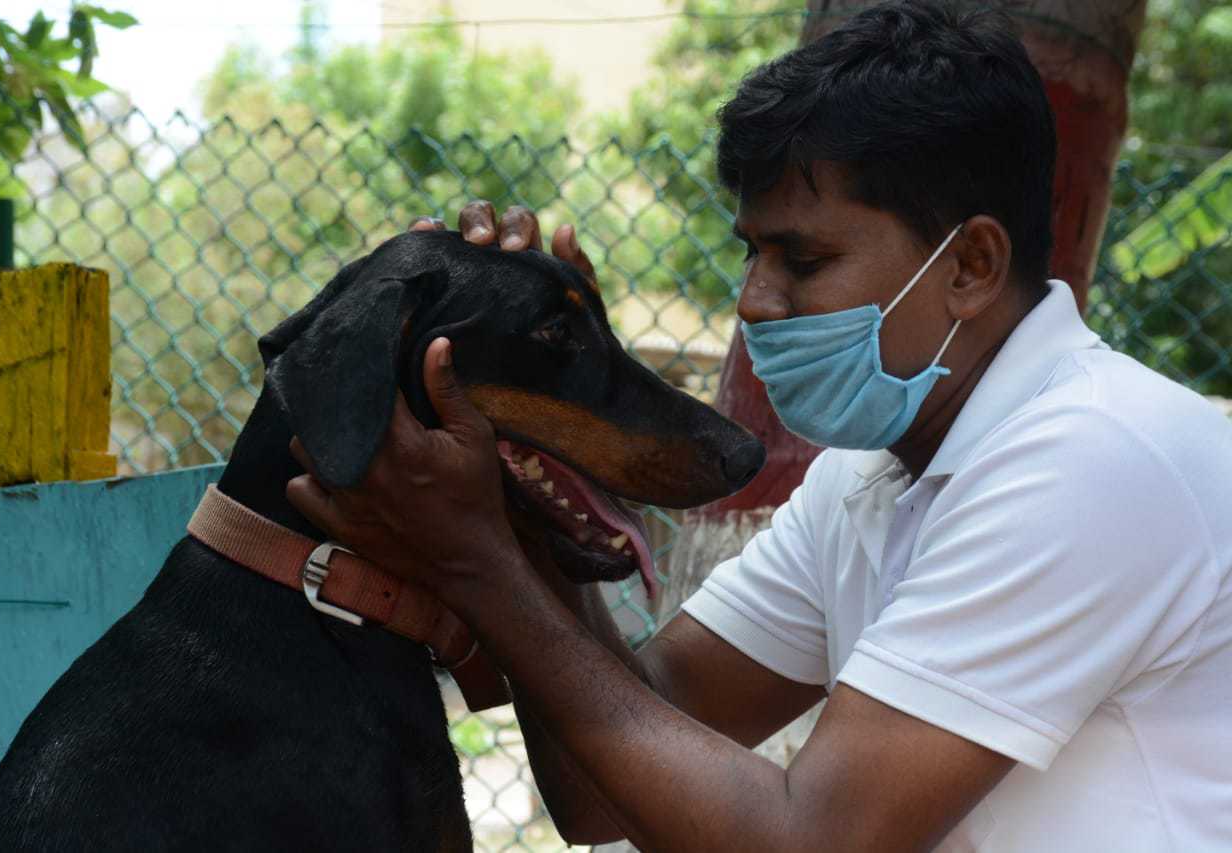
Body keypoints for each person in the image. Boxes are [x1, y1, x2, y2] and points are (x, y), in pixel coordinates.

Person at [284, 1, 1232, 850]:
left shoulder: (1091, 459)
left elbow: (808, 842)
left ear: (973, 266)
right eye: (751, 253)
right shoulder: (869, 476)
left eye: (803, 258)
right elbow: (605, 784)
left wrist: (475, 561)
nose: (754, 302)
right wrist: (545, 449)